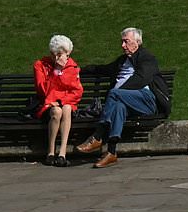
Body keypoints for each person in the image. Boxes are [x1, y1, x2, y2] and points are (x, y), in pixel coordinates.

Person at [74, 27, 172, 169]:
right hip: (128, 102)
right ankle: (112, 153)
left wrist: (119, 91)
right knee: (119, 106)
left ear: (137, 42)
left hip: (147, 101)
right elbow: (103, 69)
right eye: (122, 42)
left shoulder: (147, 57)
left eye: (126, 42)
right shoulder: (122, 61)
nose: (122, 45)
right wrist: (78, 70)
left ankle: (97, 136)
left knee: (114, 93)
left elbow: (141, 79)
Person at [35, 34, 84, 166]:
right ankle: (50, 152)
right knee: (56, 112)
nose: (64, 58)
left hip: (66, 103)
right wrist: (56, 72)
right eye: (59, 54)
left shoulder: (72, 67)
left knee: (66, 108)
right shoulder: (40, 66)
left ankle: (62, 153)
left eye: (66, 54)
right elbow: (43, 90)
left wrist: (61, 101)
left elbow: (77, 92)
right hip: (48, 103)